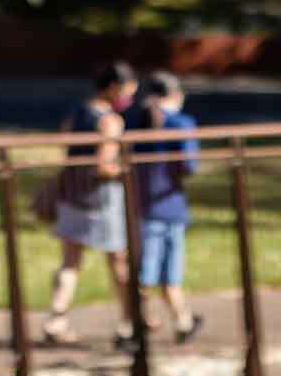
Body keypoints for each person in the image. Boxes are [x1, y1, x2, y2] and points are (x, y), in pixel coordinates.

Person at [43, 62, 139, 346]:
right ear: (114, 88)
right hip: (100, 199)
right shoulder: (110, 121)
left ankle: (55, 320)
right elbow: (103, 166)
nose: (129, 100)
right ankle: (130, 322)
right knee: (118, 261)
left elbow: (67, 147)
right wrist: (125, 170)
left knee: (70, 262)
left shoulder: (77, 112)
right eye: (127, 93)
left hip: (72, 194)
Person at [129, 72, 203, 343]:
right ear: (175, 94)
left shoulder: (136, 120)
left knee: (147, 271)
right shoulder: (180, 123)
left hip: (143, 203)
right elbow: (189, 165)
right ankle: (140, 326)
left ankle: (177, 320)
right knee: (169, 272)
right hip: (170, 202)